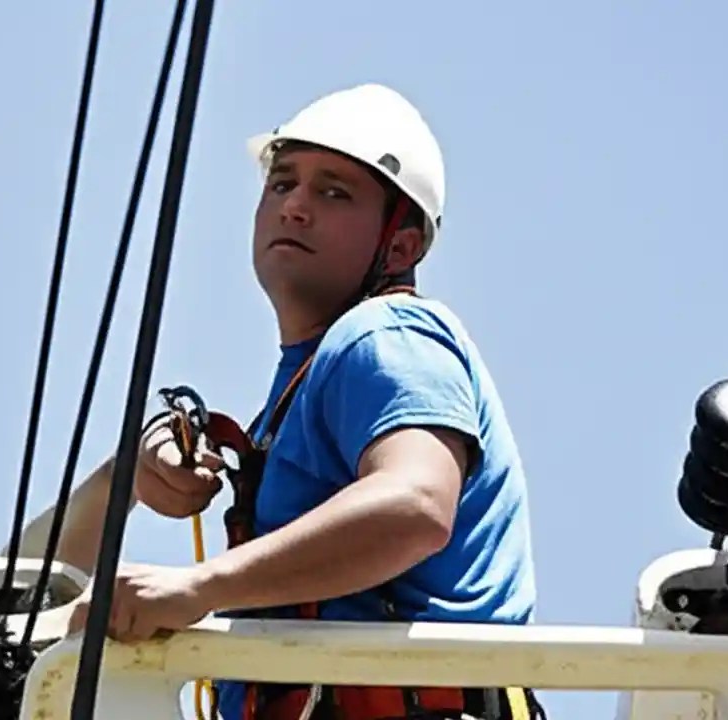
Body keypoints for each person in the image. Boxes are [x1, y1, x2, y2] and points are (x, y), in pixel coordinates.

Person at [51, 83, 538, 720]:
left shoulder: (386, 332)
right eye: (282, 183)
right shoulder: (303, 389)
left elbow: (416, 504)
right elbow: (34, 591)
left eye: (334, 192)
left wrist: (197, 587)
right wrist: (127, 479)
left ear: (402, 245)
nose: (295, 207)